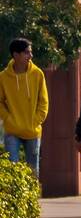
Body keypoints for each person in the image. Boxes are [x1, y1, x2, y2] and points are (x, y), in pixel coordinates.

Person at [0, 37, 49, 177]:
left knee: (33, 170)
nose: (31, 56)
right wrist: (8, 119)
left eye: (30, 52)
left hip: (32, 130)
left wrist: (36, 120)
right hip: (12, 129)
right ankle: (15, 199)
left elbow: (44, 101)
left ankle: (32, 199)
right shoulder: (3, 77)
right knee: (12, 169)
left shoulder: (37, 74)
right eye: (27, 52)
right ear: (16, 55)